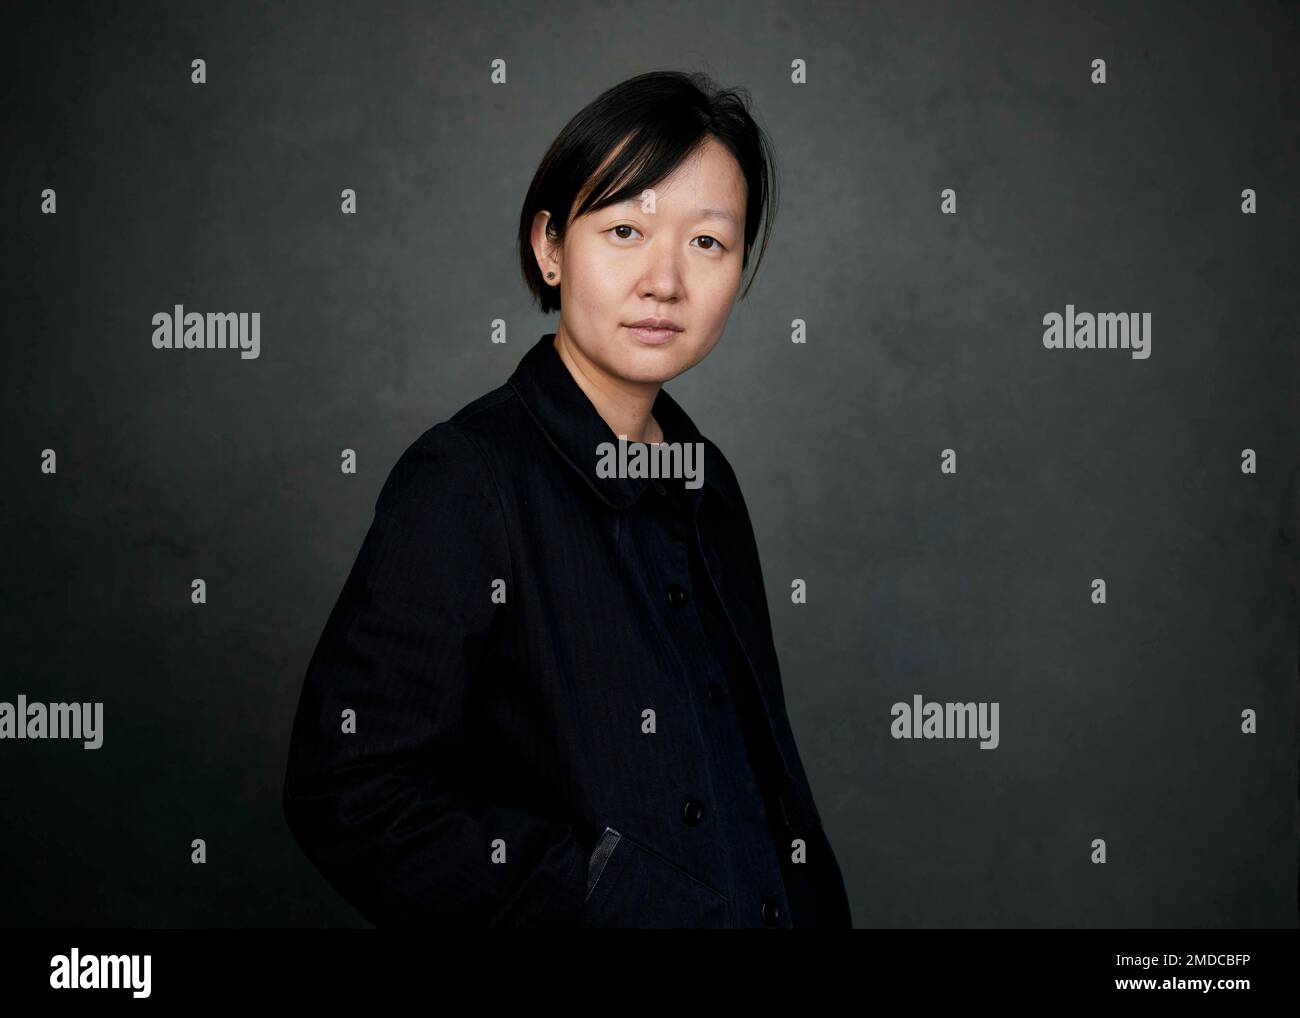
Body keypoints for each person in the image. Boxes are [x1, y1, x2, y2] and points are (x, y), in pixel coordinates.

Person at [281, 69, 853, 929]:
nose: (665, 281)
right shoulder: (468, 478)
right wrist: (602, 906)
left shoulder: (709, 480)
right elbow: (351, 789)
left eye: (709, 242)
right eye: (625, 229)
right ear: (551, 245)